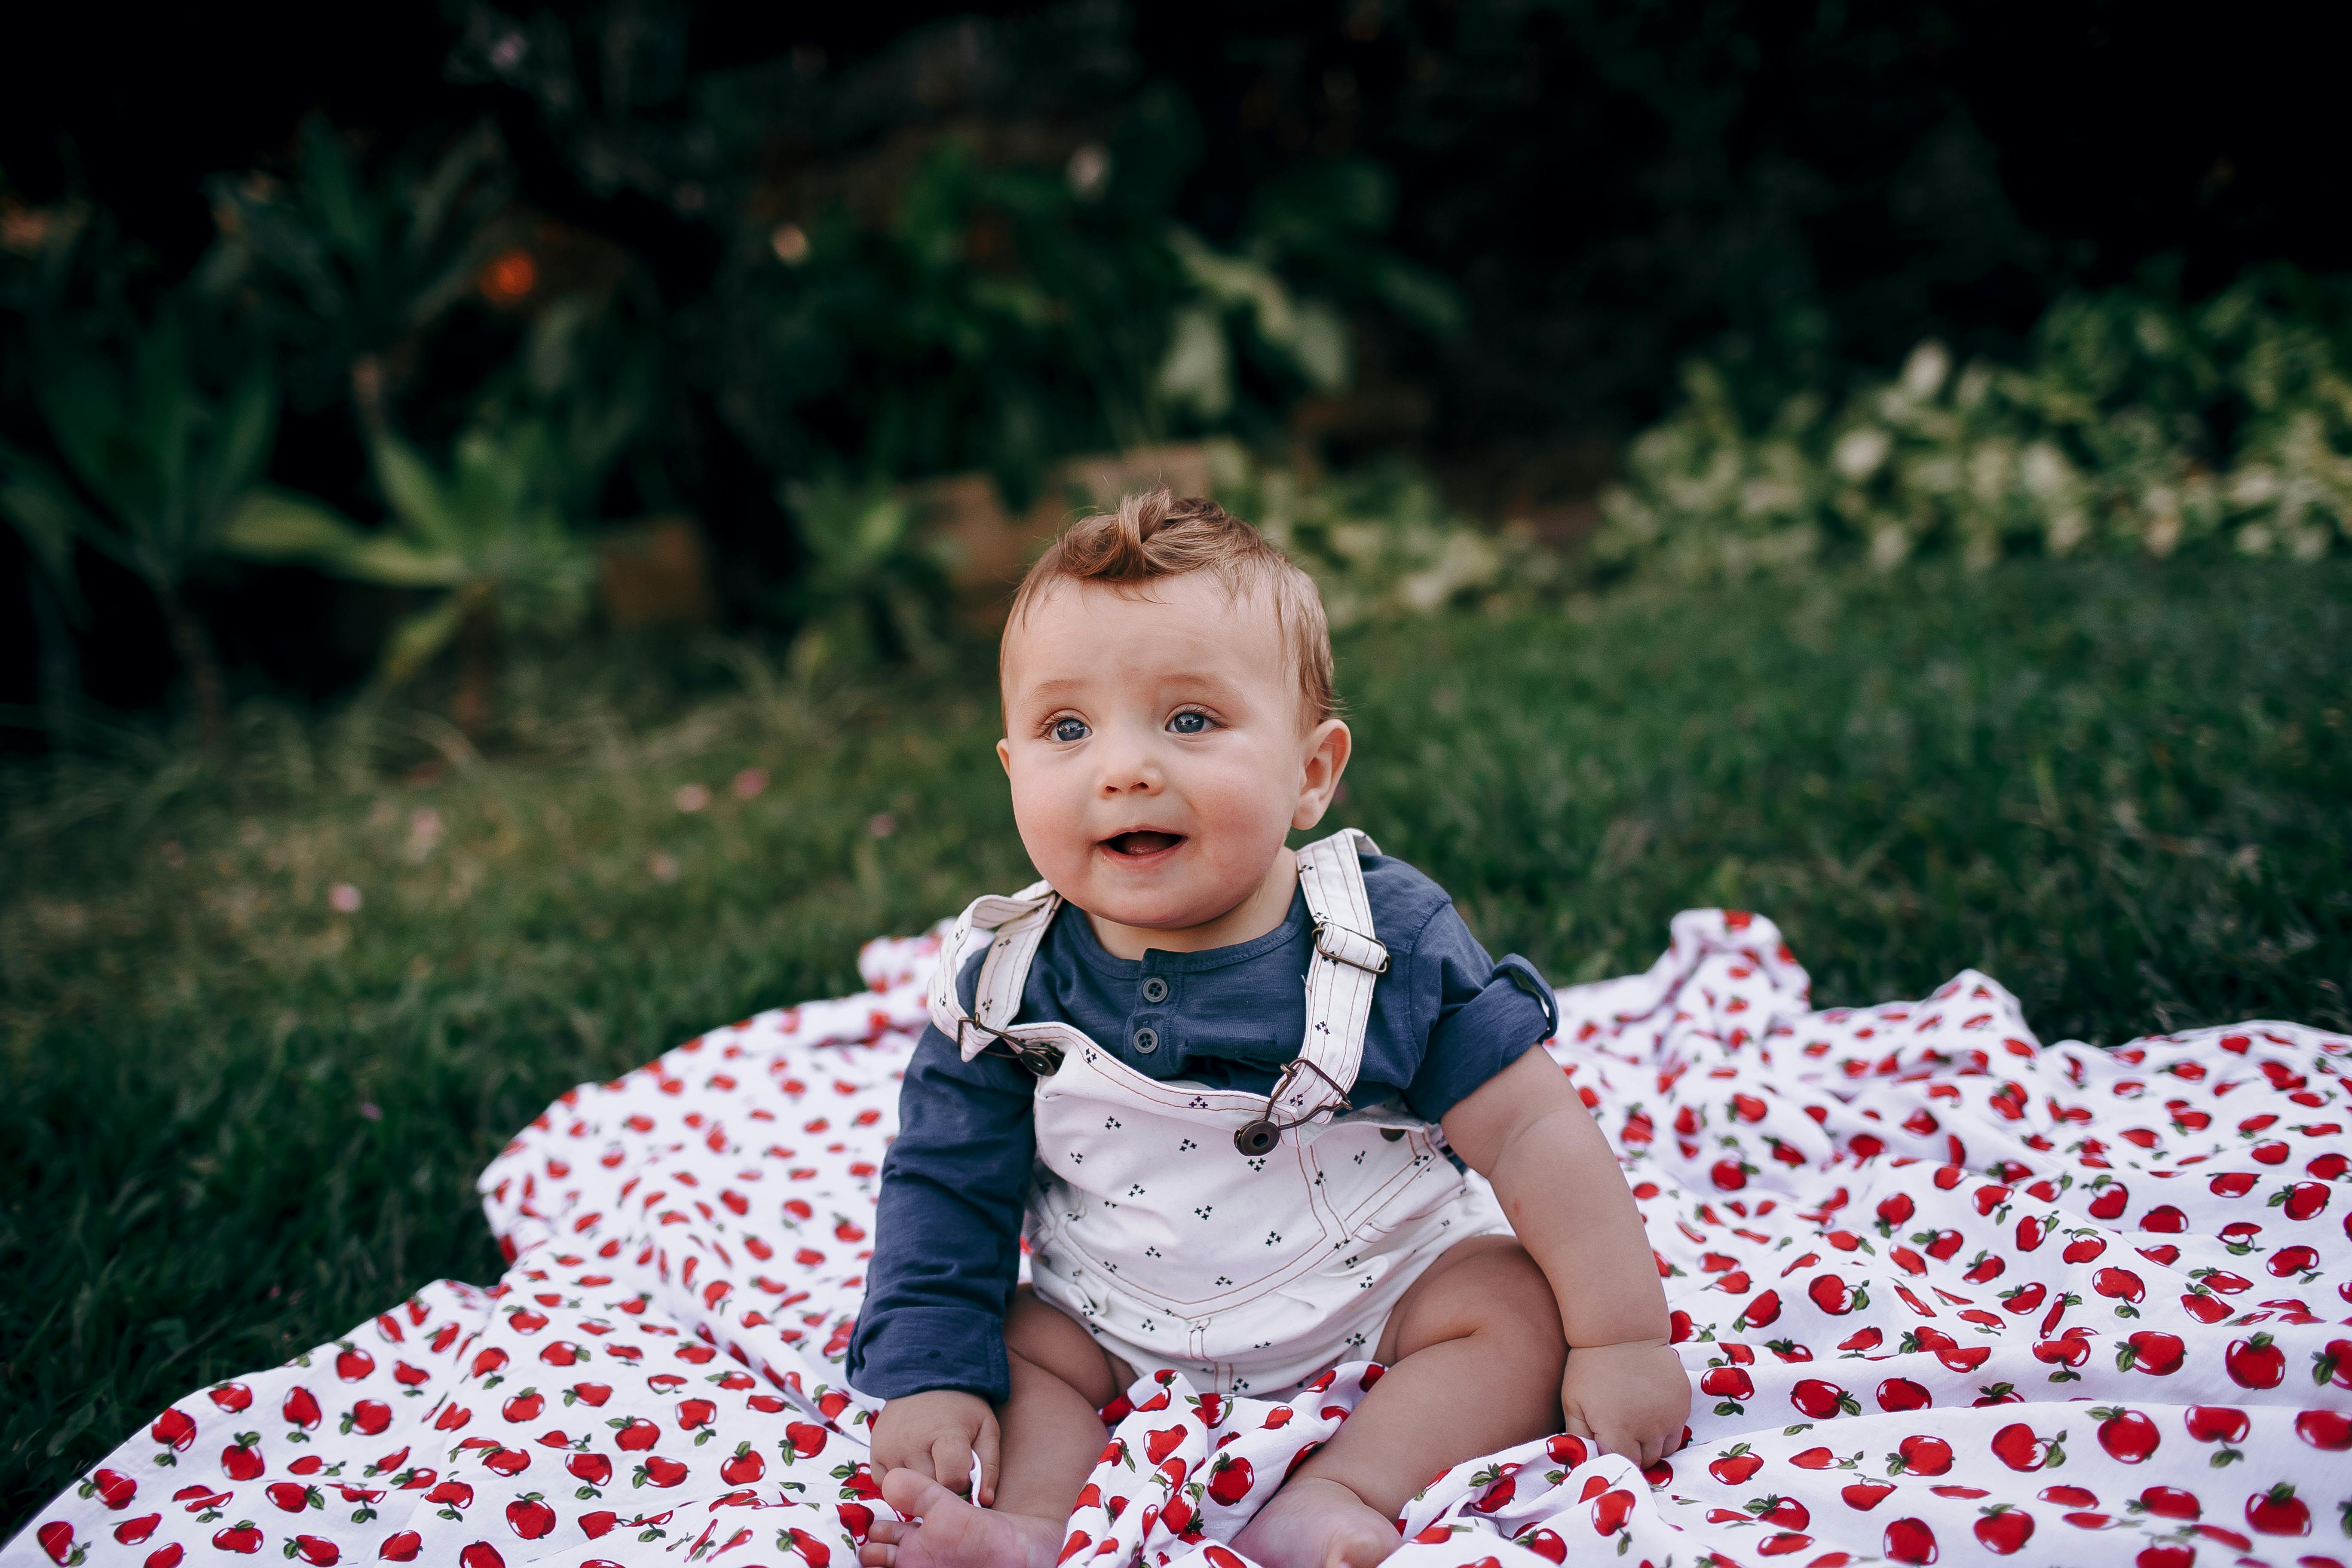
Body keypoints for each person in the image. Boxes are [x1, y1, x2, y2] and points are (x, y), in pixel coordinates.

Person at [845, 491, 1688, 1568]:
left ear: (1312, 771)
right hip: (1114, 1310)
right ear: (1013, 770)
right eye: (1068, 729)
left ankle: (1345, 1491)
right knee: (1006, 1340)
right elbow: (945, 1183)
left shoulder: (1383, 938)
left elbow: (1531, 1132)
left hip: (1375, 1288)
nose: (1124, 768)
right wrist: (931, 1373)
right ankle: (1037, 1526)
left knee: (1515, 1307)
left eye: (1190, 721)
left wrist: (1621, 1337)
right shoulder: (1001, 982)